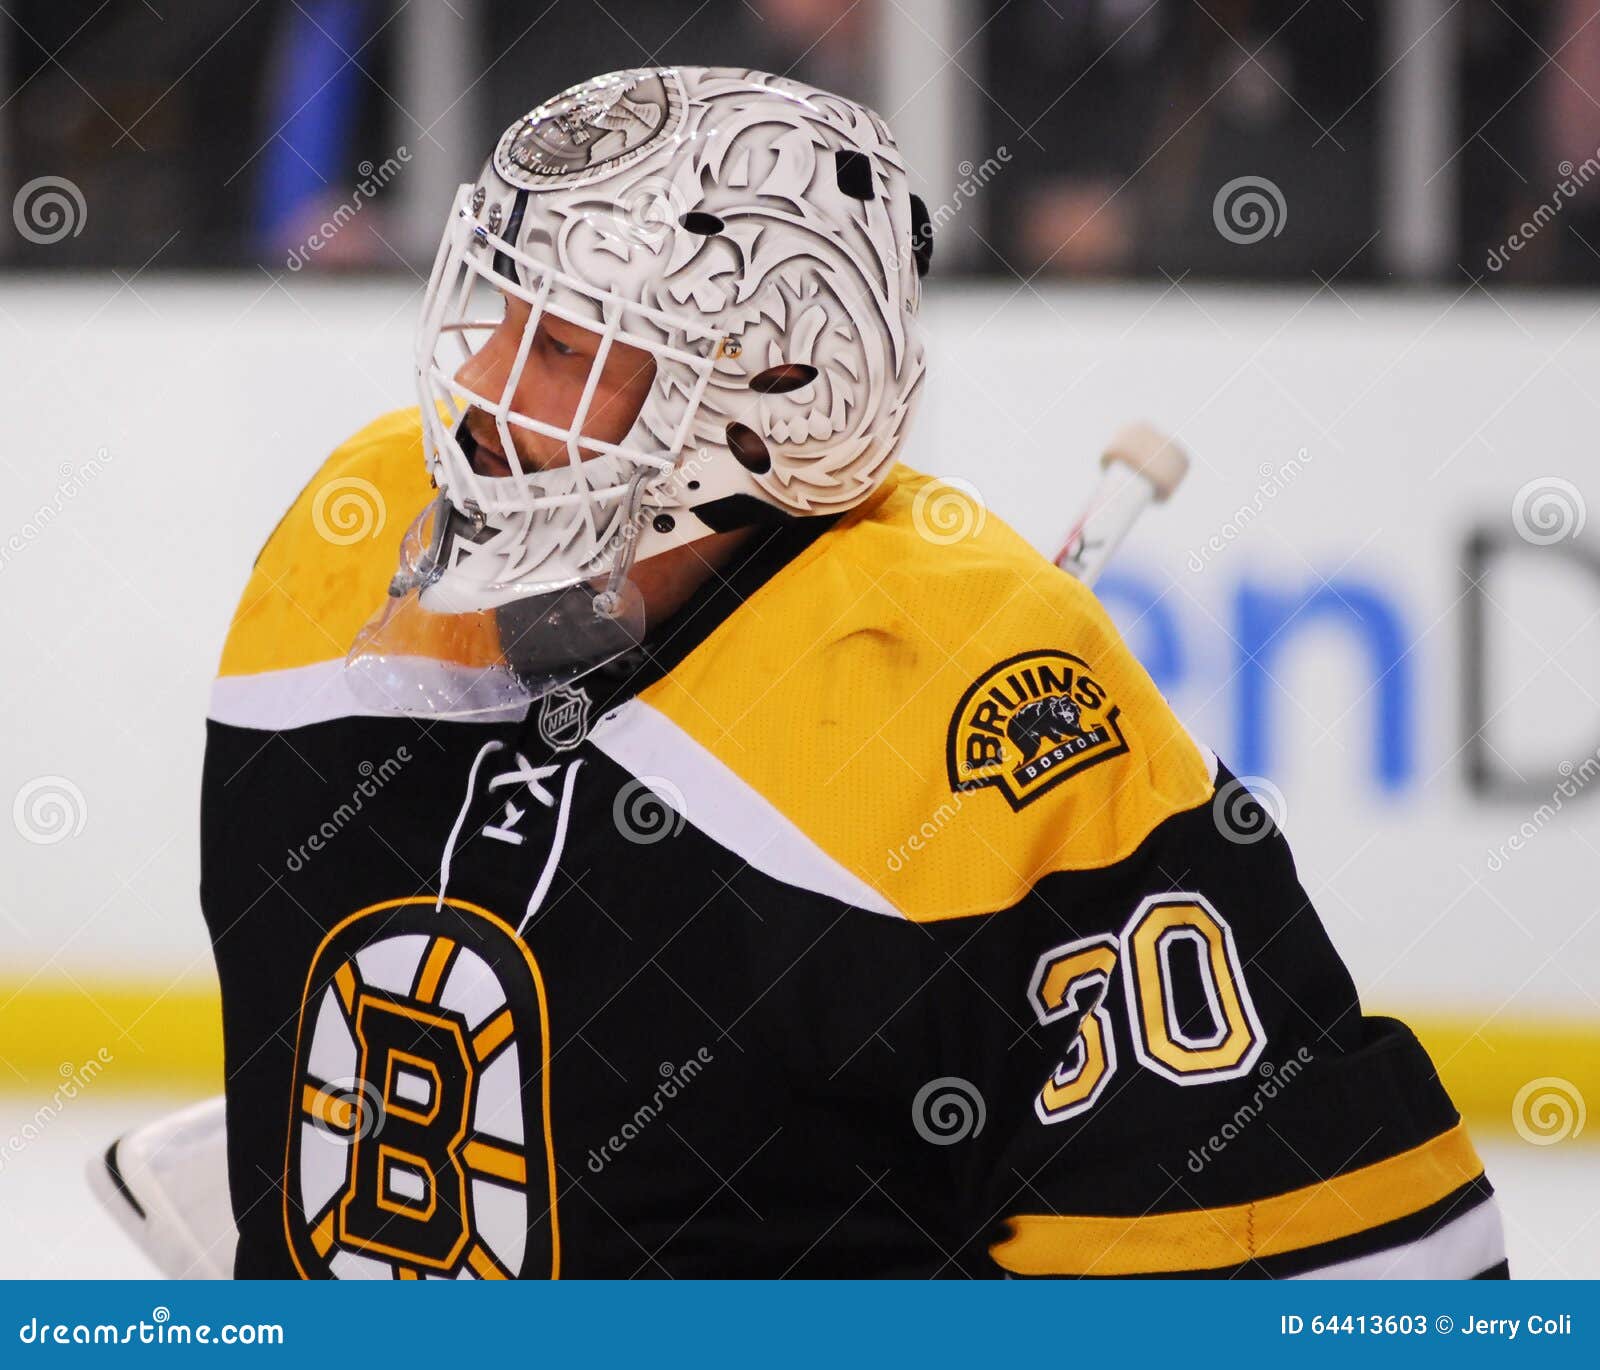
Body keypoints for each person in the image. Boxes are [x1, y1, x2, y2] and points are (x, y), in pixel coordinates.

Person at [190, 66, 1502, 1279]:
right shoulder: (352, 542)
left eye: (563, 347)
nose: (476, 386)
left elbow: (1363, 1278)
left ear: (770, 396)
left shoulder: (963, 703)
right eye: (496, 314)